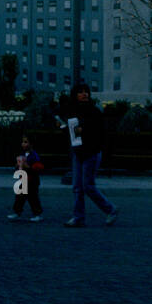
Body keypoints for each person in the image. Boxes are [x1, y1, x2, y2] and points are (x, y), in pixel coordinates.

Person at [62, 83, 118, 228]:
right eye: (80, 92)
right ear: (75, 95)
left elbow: (99, 133)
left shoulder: (94, 111)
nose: (84, 94)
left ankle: (110, 209)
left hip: (91, 152)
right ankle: (78, 217)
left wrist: (83, 131)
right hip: (78, 152)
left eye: (86, 91)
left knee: (87, 186)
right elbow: (72, 132)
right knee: (77, 187)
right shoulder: (72, 111)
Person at [7, 133, 44, 221]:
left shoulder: (34, 155)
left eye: (25, 142)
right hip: (23, 179)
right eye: (23, 142)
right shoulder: (23, 154)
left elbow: (37, 167)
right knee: (19, 197)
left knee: (33, 197)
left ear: (31, 144)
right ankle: (17, 212)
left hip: (32, 180)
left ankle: (37, 213)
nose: (23, 144)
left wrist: (27, 166)